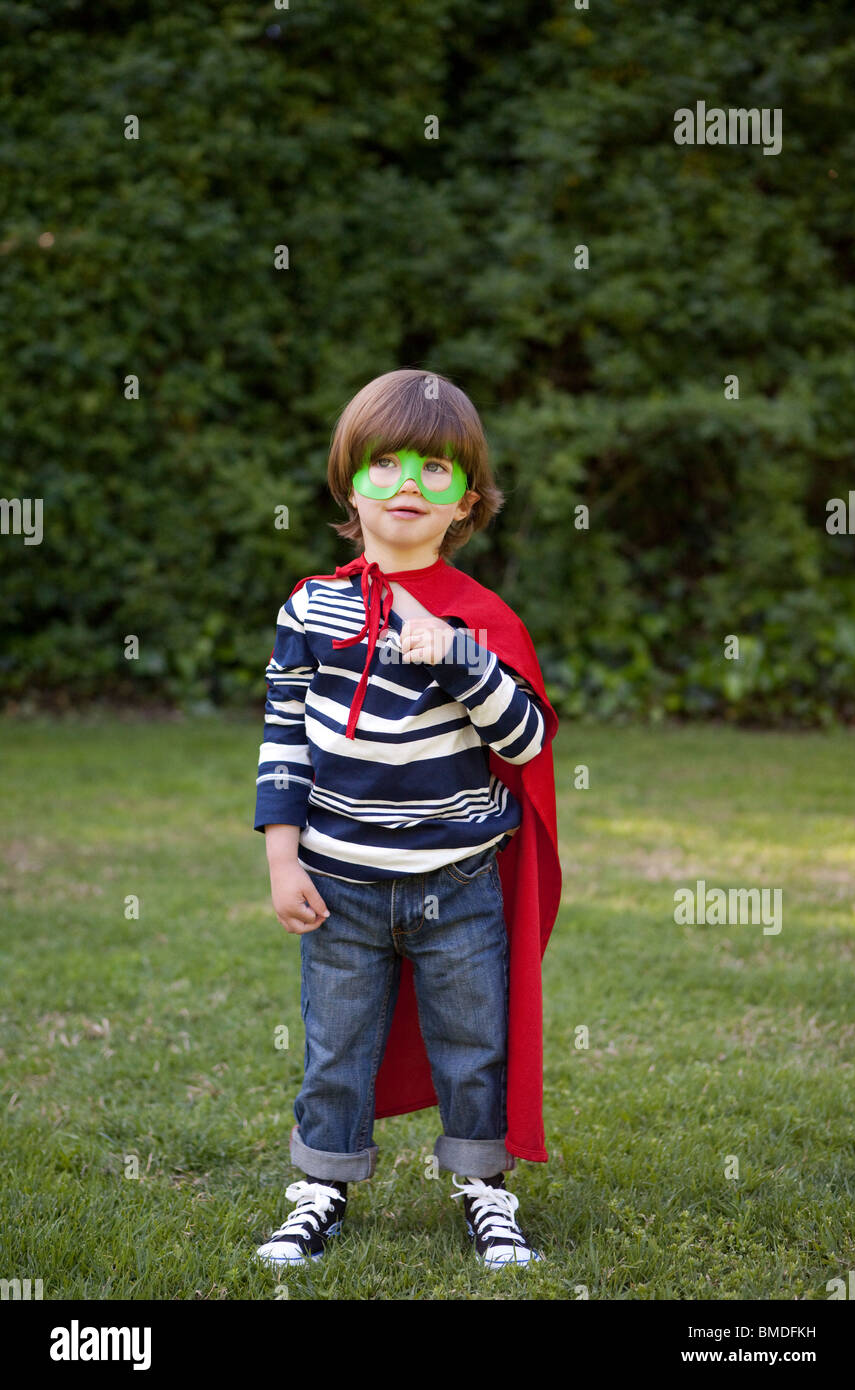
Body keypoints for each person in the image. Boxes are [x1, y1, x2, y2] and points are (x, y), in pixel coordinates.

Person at [252, 368, 558, 1270]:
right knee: (335, 1045)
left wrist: (461, 660)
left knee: (473, 1043)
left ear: (467, 498)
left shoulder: (481, 618)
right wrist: (282, 859)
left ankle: (483, 1189)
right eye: (386, 465)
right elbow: (283, 741)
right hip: (338, 882)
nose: (410, 487)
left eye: (436, 469)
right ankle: (320, 1189)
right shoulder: (311, 608)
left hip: (457, 885)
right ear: (351, 483)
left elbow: (529, 742)